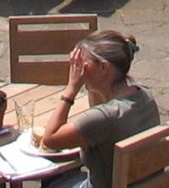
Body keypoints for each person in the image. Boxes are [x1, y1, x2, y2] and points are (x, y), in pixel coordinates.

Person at [35, 30, 159, 188]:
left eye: (83, 65)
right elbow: (101, 114)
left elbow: (50, 140)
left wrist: (71, 88)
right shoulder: (144, 95)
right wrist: (93, 84)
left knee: (51, 178)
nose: (78, 69)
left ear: (103, 68)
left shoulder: (104, 118)